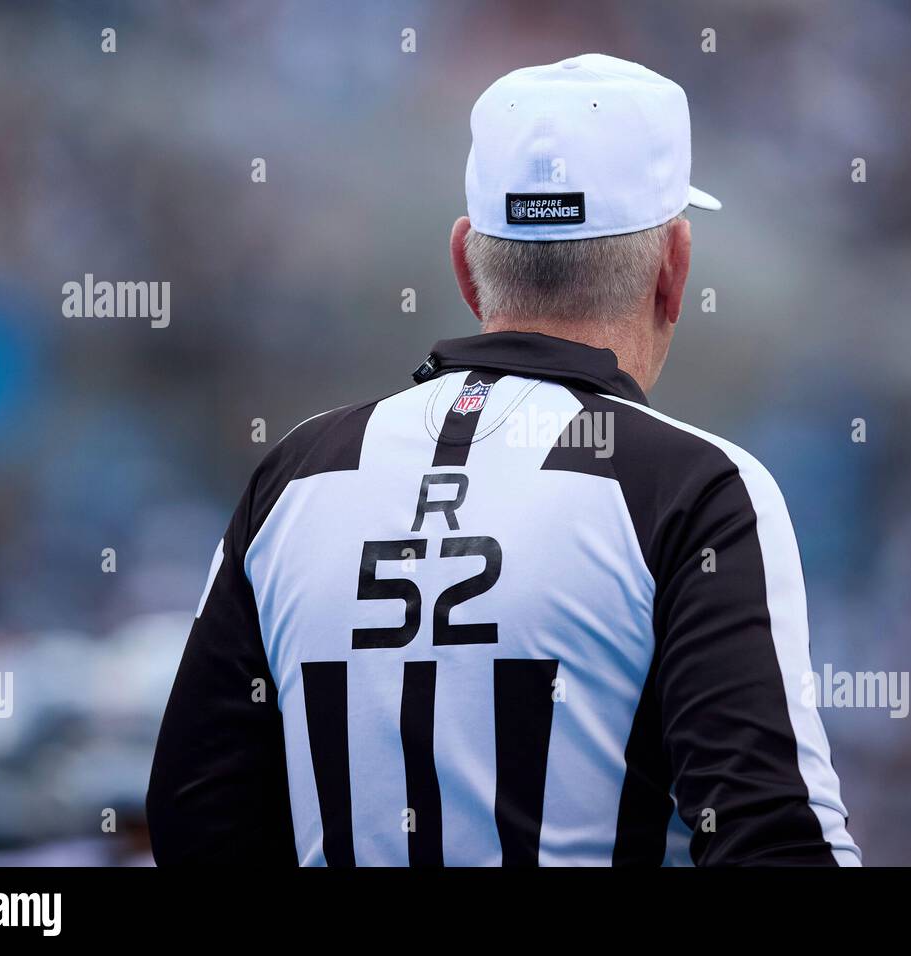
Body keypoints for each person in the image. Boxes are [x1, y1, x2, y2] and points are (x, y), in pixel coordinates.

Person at [148, 53, 859, 867]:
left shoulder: (297, 473)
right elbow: (777, 839)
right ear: (674, 268)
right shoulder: (695, 488)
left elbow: (194, 814)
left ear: (465, 264)